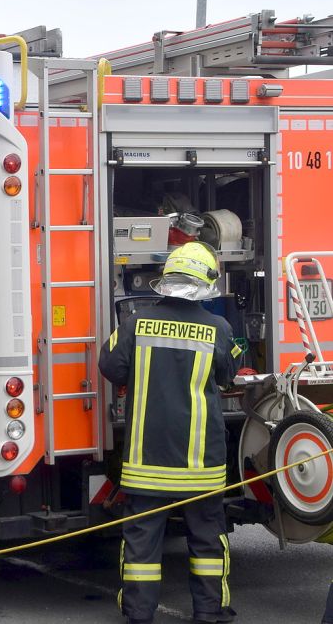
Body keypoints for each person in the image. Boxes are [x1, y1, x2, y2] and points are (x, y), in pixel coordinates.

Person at [99, 242, 240, 624]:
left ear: (167, 279)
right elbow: (228, 374)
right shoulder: (219, 329)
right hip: (201, 462)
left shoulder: (136, 324)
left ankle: (139, 613)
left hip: (147, 460)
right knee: (207, 539)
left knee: (142, 542)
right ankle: (209, 611)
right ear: (205, 284)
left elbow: (110, 366)